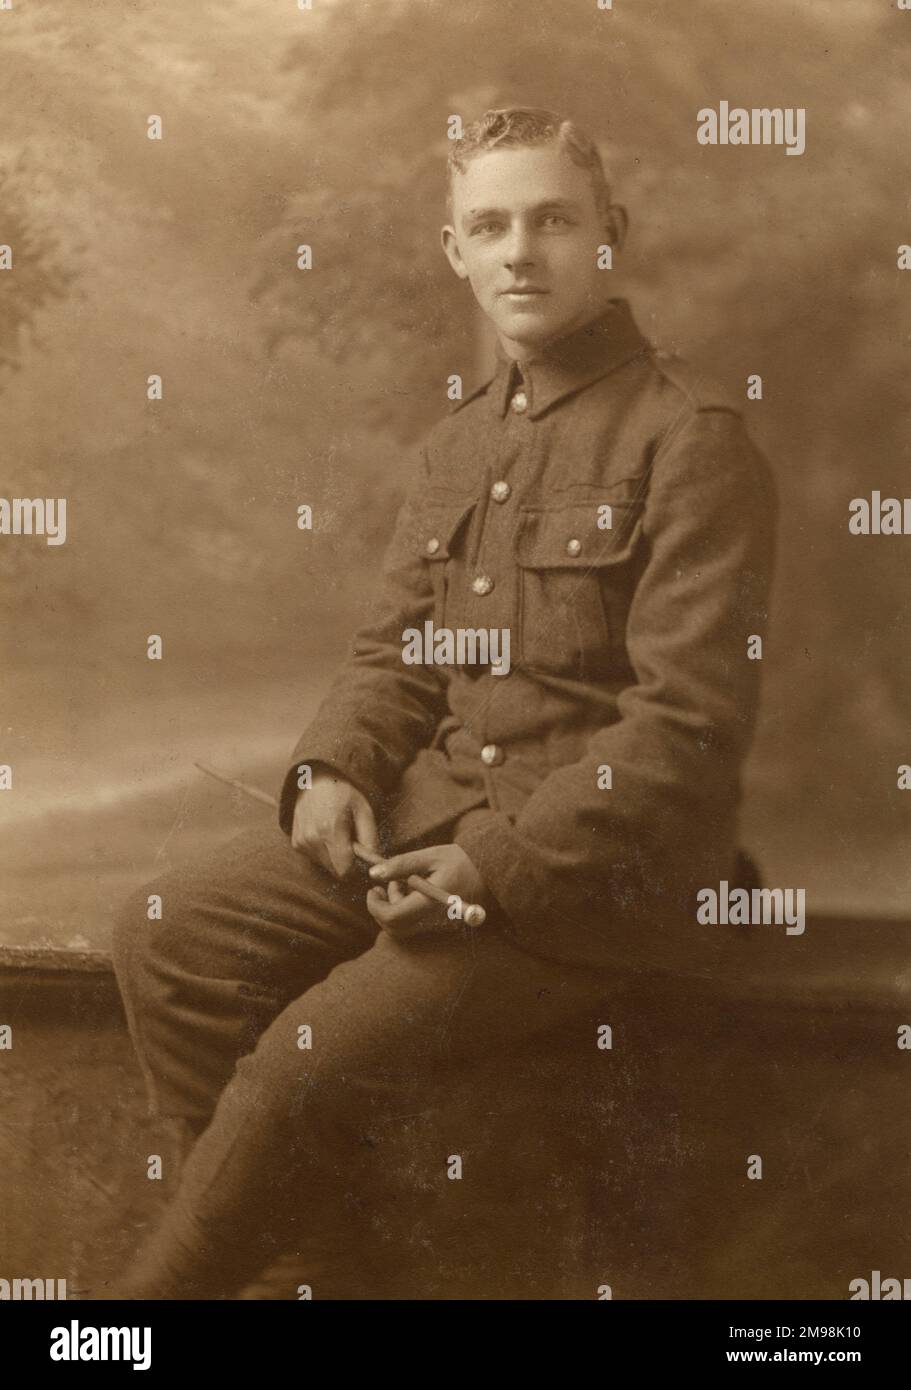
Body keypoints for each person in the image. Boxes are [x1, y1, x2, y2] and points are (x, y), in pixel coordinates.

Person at [109, 105, 777, 1299]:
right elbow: (394, 658)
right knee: (170, 931)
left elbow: (684, 731)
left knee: (290, 1072)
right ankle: (298, 1279)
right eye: (489, 226)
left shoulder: (691, 441)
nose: (520, 251)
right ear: (454, 252)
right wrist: (330, 774)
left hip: (594, 879)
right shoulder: (460, 445)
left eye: (552, 220)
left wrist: (490, 861)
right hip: (437, 829)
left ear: (607, 236)